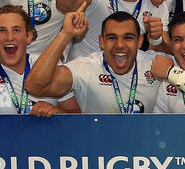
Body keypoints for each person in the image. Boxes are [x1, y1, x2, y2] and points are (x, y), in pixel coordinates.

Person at [26, 11, 163, 114]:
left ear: (139, 41)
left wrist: (157, 41)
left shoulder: (155, 65)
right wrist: (65, 34)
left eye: (128, 38)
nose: (120, 45)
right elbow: (35, 87)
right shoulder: (86, 68)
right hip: (96, 149)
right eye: (112, 38)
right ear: (101, 42)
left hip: (144, 149)